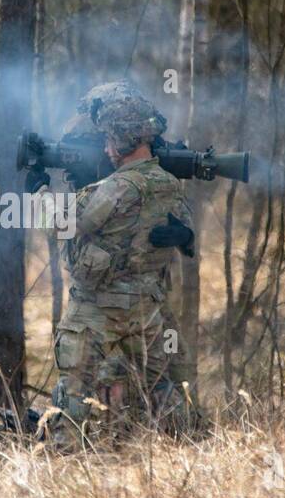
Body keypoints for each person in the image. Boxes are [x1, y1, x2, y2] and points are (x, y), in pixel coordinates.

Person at [47, 83, 194, 448]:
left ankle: (65, 458)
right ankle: (181, 449)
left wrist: (40, 191)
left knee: (74, 387)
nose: (107, 149)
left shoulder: (117, 187)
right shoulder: (170, 184)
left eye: (110, 141)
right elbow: (180, 228)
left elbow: (65, 222)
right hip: (146, 305)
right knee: (161, 383)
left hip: (98, 307)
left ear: (121, 140)